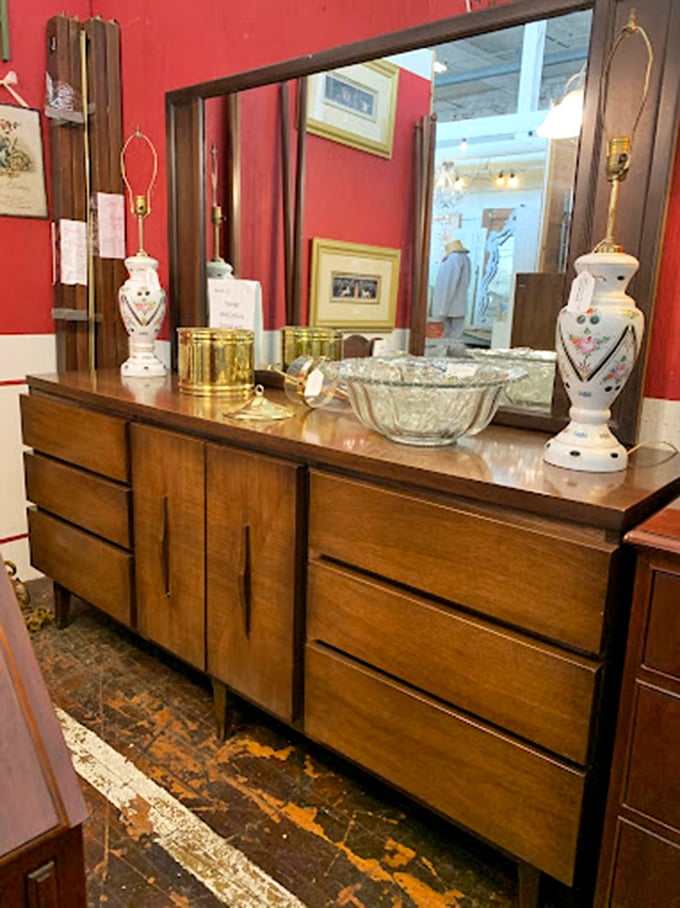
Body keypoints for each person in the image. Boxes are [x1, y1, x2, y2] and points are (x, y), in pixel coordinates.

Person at [431, 239, 472, 339]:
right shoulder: (465, 259)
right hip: (458, 303)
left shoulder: (454, 259)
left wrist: (442, 308)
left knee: (449, 334)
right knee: (455, 333)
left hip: (449, 304)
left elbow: (448, 284)